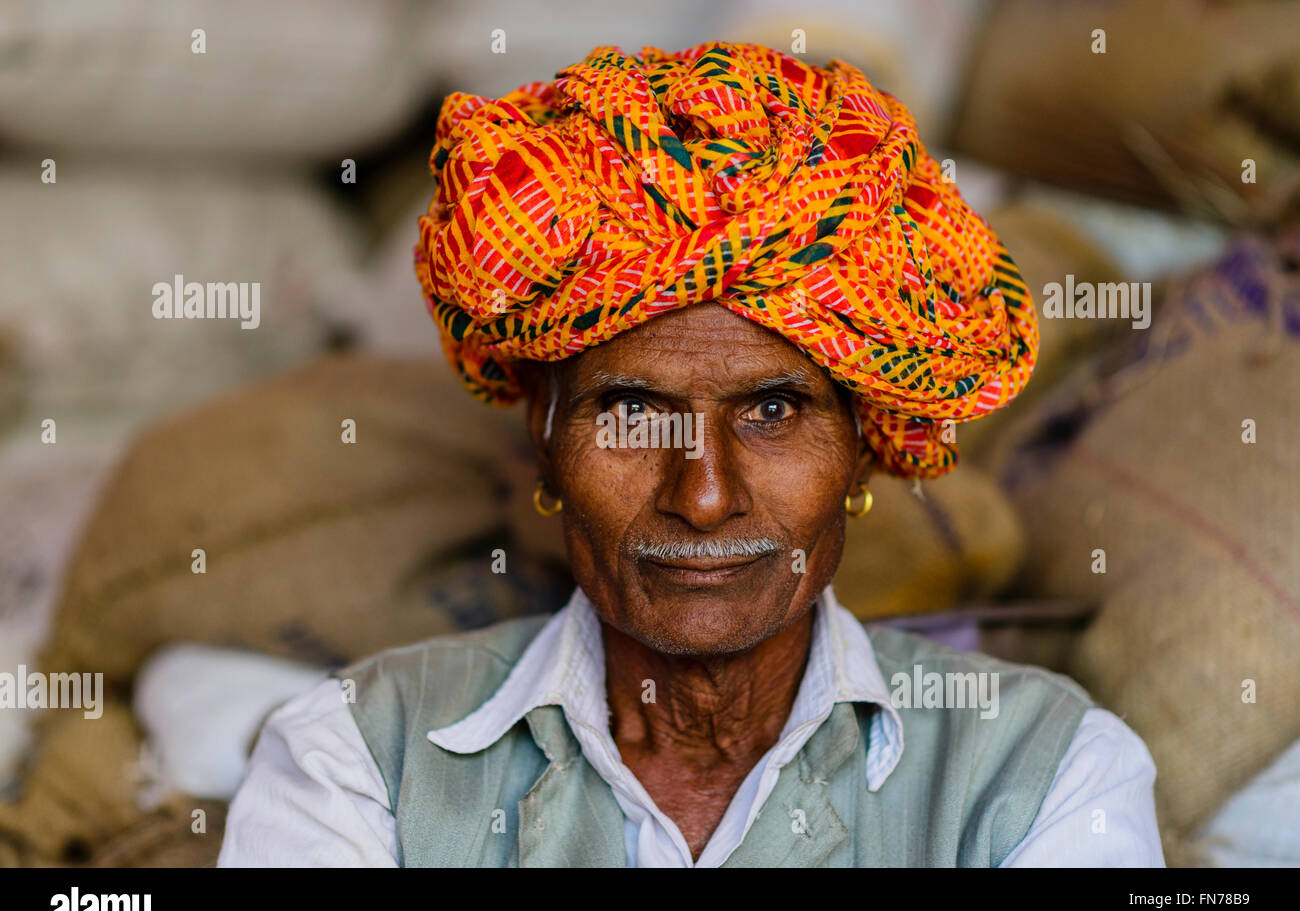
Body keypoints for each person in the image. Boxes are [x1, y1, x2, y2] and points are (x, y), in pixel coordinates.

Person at [218, 41, 1162, 867]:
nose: (703, 496)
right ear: (541, 436)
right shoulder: (356, 758)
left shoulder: (1047, 773)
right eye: (631, 410)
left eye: (775, 411)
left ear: (865, 452)